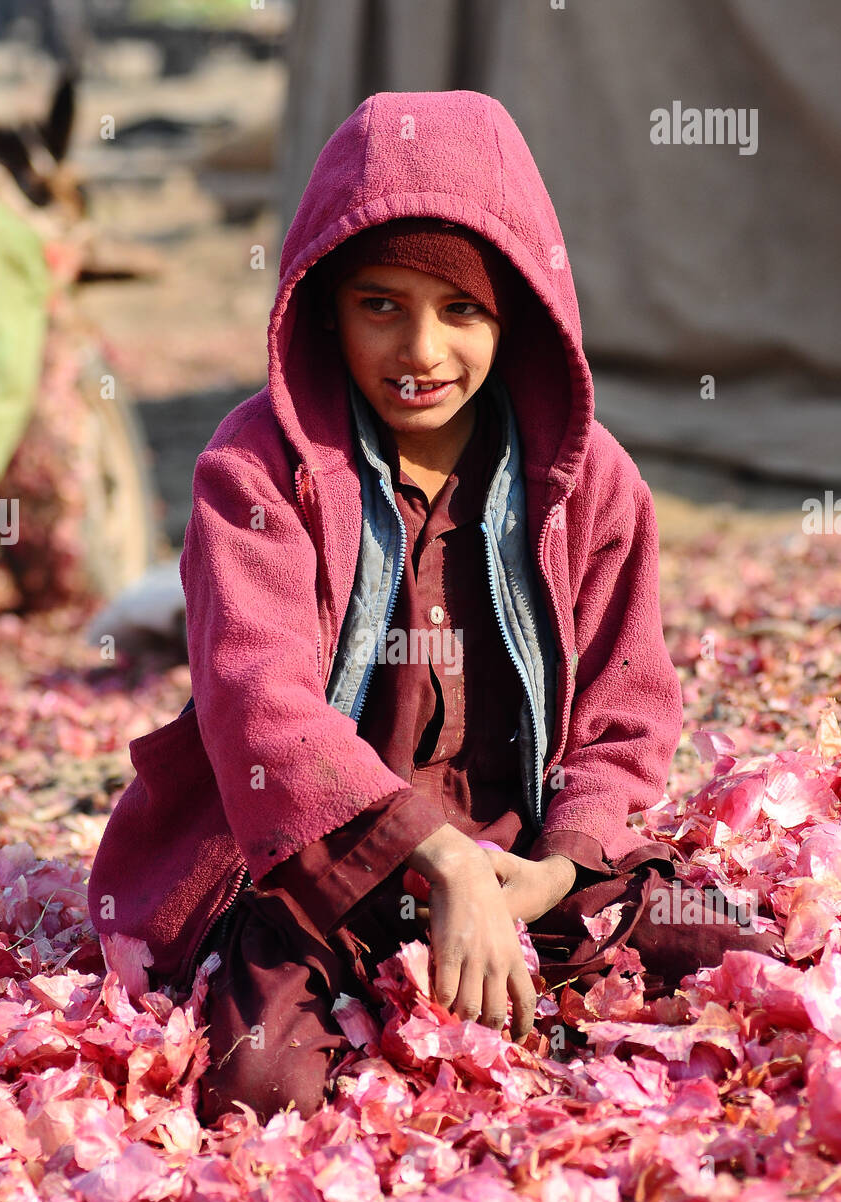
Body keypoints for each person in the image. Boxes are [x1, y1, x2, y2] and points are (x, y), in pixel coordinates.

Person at [87, 90, 780, 1125]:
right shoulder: (256, 469)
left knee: (735, 965)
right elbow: (259, 703)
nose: (420, 352)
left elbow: (622, 711)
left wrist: (550, 870)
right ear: (323, 305)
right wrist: (437, 858)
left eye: (460, 311)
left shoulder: (588, 483)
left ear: (515, 312)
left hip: (525, 853)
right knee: (260, 1085)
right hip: (321, 858)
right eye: (382, 304)